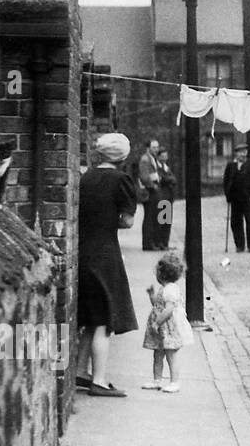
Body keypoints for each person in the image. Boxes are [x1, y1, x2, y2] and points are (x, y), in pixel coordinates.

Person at [74, 132, 140, 397]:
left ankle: (80, 370)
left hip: (85, 250)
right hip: (105, 253)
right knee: (104, 320)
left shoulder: (86, 177)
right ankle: (99, 380)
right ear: (122, 156)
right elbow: (127, 221)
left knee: (91, 318)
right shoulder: (121, 180)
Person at [142, 251, 193, 392]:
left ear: (161, 274)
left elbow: (168, 309)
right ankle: (157, 379)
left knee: (171, 354)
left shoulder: (171, 290)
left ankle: (174, 381)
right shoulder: (165, 289)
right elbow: (158, 305)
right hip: (162, 329)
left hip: (168, 329)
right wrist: (152, 296)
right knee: (158, 353)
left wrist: (157, 322)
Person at [223, 140, 250, 252]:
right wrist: (228, 195)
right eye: (241, 152)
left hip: (249, 199)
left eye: (245, 152)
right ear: (236, 154)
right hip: (235, 199)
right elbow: (226, 181)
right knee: (235, 223)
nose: (243, 154)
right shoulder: (231, 166)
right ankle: (239, 245)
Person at [138, 139, 163, 250]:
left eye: (157, 147)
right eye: (154, 147)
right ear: (148, 148)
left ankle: (151, 242)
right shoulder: (145, 159)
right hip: (149, 192)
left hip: (151, 191)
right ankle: (148, 244)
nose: (156, 149)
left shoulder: (152, 159)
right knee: (149, 218)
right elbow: (144, 176)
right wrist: (153, 186)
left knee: (152, 217)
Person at [155, 148, 176, 248]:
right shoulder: (158, 168)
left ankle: (165, 242)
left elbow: (173, 179)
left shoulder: (167, 167)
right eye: (162, 156)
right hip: (162, 197)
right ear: (158, 157)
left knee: (167, 221)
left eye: (165, 156)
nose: (164, 158)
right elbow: (163, 179)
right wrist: (169, 179)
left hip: (169, 197)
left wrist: (169, 179)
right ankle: (159, 242)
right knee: (161, 221)